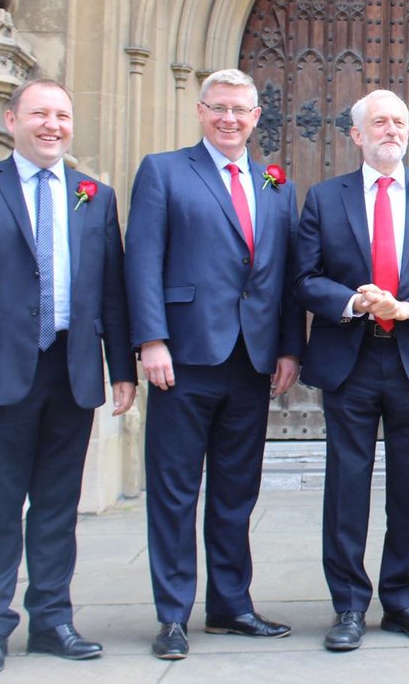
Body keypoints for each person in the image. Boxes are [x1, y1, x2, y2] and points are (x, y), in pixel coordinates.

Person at [124, 69, 305, 661]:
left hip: (250, 362)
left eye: (242, 110)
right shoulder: (164, 170)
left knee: (236, 491)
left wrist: (287, 348)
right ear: (201, 110)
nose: (230, 119)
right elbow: (143, 260)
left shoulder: (276, 184)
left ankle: (230, 605)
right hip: (184, 357)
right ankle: (173, 615)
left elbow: (281, 278)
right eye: (219, 107)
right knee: (175, 492)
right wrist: (151, 339)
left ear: (258, 117)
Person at [295, 89, 409, 648]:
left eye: (399, 121)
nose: (391, 129)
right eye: (379, 122)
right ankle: (348, 605)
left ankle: (400, 600)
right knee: (347, 486)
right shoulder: (326, 198)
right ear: (357, 135)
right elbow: (305, 277)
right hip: (351, 358)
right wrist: (354, 301)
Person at [0, 80, 136, 675]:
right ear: (11, 119)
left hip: (70, 367)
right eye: (40, 114)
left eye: (63, 115)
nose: (53, 125)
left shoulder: (94, 196)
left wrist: (120, 368)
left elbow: (113, 289)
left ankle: (51, 619)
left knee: (56, 504)